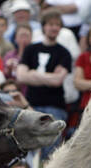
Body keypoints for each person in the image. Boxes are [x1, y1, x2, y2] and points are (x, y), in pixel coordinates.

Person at [16, 9, 72, 150]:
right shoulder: (31, 49)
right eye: (50, 24)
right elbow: (21, 76)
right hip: (31, 104)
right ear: (43, 27)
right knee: (28, 148)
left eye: (57, 25)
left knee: (51, 150)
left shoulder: (64, 53)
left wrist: (33, 74)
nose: (54, 28)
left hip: (55, 107)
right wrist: (49, 76)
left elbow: (57, 81)